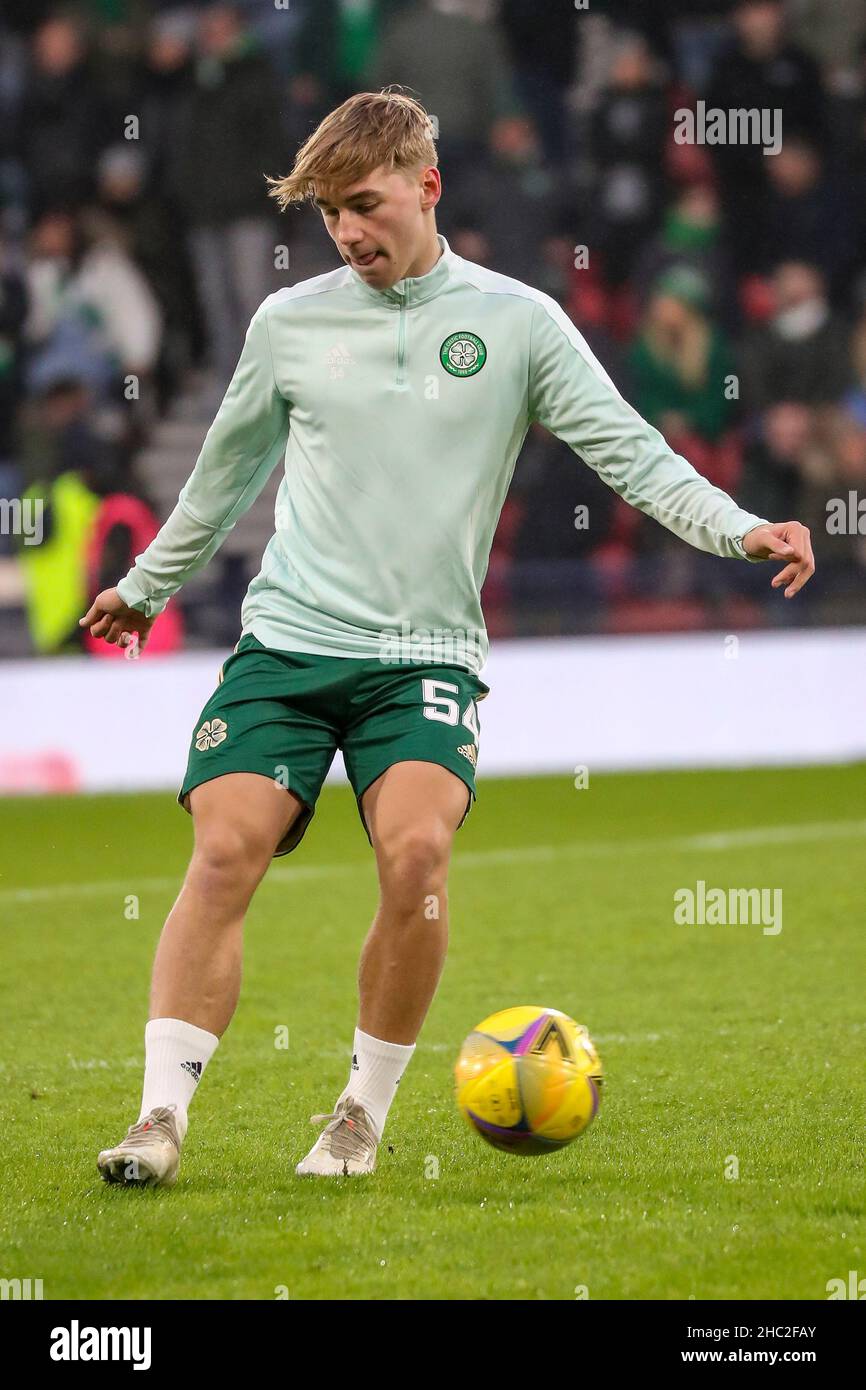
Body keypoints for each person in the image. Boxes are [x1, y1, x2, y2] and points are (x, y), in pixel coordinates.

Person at [83, 90, 815, 1187]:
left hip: (424, 656)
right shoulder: (288, 324)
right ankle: (156, 1118)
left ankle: (358, 1116)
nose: (347, 232)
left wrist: (738, 525)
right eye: (330, 214)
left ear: (428, 188)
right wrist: (146, 586)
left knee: (415, 854)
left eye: (365, 205)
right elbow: (221, 475)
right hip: (288, 643)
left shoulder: (517, 323)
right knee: (225, 849)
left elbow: (628, 450)